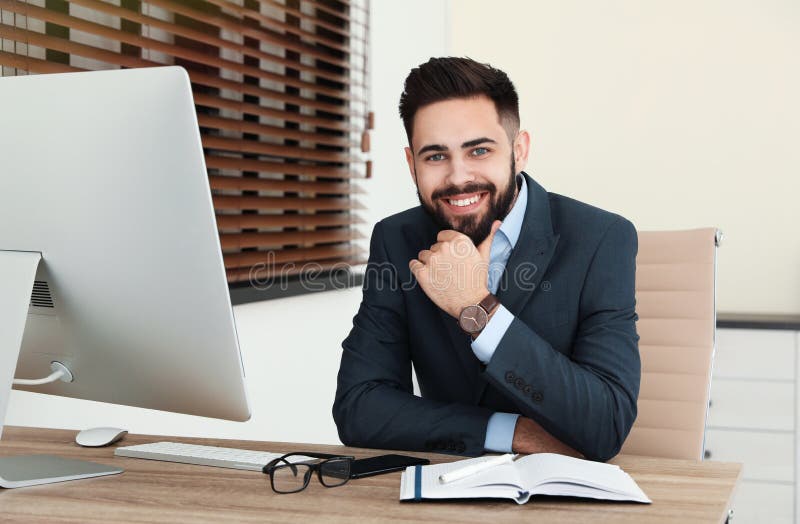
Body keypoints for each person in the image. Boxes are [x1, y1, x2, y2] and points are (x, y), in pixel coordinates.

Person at [333, 57, 640, 462]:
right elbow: (359, 407)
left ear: (519, 150)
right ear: (411, 165)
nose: (458, 177)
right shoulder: (396, 240)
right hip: (446, 483)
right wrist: (512, 432)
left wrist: (477, 308)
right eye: (435, 156)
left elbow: (607, 422)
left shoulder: (601, 239)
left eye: (479, 150)